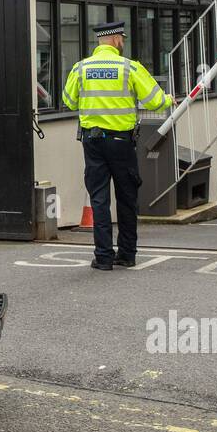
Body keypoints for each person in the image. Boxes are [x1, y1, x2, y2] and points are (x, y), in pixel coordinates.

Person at [62, 20, 173, 271]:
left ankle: (103, 257)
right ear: (114, 39)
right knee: (126, 197)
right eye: (122, 38)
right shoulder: (129, 68)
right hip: (122, 143)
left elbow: (68, 101)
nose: (123, 42)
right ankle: (126, 254)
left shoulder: (81, 68)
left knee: (99, 199)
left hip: (92, 141)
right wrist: (168, 99)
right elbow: (154, 101)